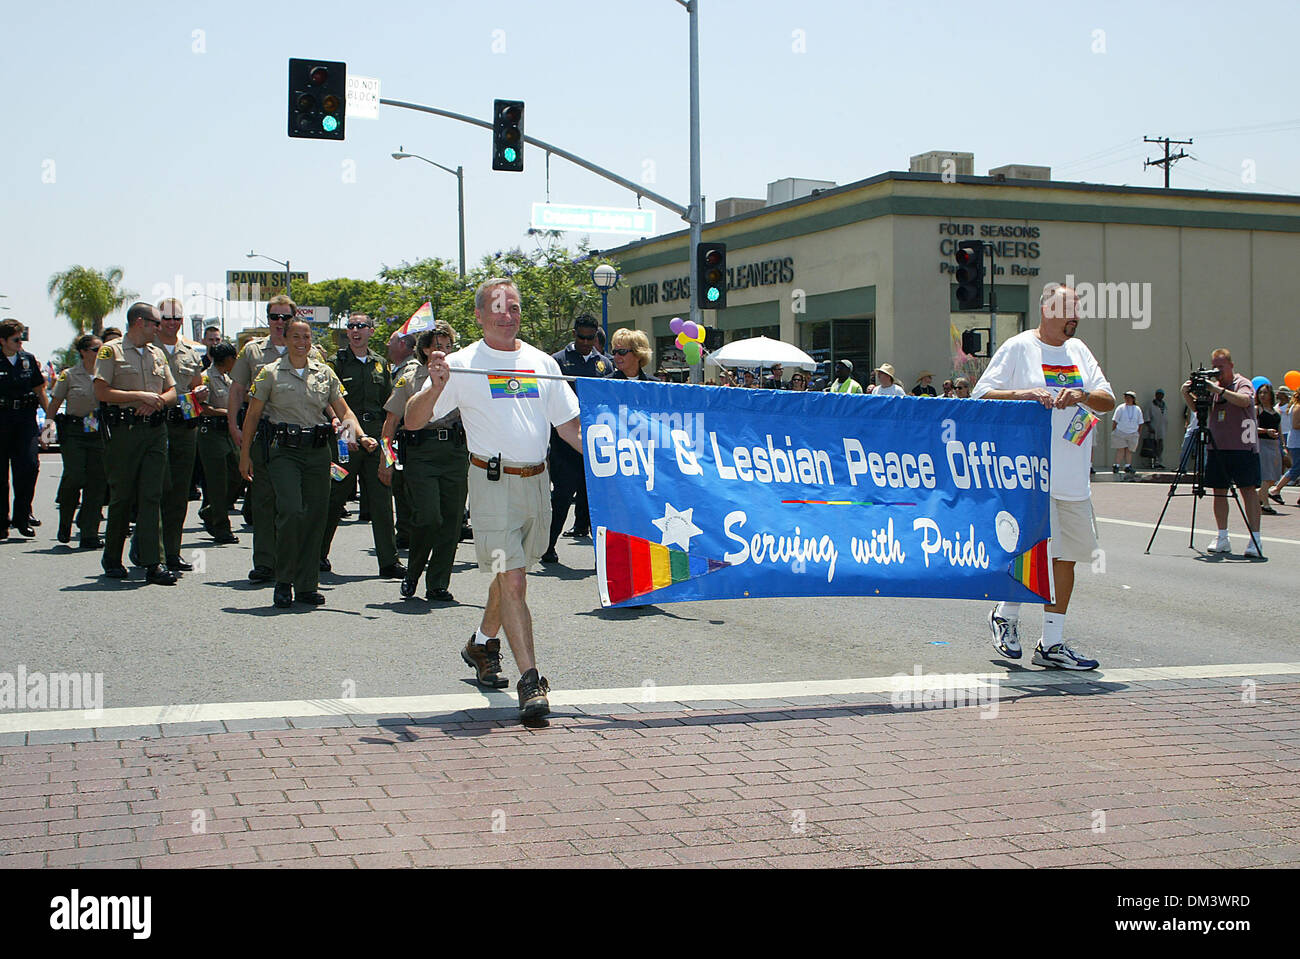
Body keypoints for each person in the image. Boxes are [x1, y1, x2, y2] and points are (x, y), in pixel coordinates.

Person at [405, 278, 582, 722]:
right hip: (492, 483)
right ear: (480, 316)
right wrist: (433, 385)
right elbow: (412, 420)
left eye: (514, 307)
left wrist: (619, 461)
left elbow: (570, 429)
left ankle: (481, 643)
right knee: (515, 580)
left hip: (537, 485)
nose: (507, 315)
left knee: (511, 573)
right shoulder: (461, 365)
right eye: (498, 308)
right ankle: (531, 682)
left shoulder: (542, 363)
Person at [975, 282, 1116, 670]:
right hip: (1029, 473)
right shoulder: (1019, 347)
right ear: (1047, 310)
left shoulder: (1079, 351)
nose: (1075, 317)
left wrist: (1081, 394)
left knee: (1066, 557)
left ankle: (1051, 643)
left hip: (1072, 475)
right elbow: (981, 395)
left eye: (1078, 310)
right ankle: (1007, 614)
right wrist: (1026, 394)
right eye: (1068, 309)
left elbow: (1107, 399)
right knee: (1029, 551)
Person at [240, 316, 373, 609]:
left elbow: (344, 410)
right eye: (296, 337)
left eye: (307, 337)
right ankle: (283, 580)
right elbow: (252, 416)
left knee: (315, 516)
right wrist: (245, 455)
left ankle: (306, 585)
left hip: (317, 452)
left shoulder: (324, 373)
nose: (302, 343)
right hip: (283, 452)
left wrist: (359, 437)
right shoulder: (269, 373)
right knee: (290, 511)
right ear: (285, 340)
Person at [92, 303, 178, 584]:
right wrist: (140, 395)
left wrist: (156, 402)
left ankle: (154, 562)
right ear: (140, 322)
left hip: (155, 430)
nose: (160, 327)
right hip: (124, 432)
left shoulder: (157, 354)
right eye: (156, 322)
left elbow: (173, 391)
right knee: (123, 495)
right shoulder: (111, 351)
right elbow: (102, 391)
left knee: (152, 496)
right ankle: (112, 558)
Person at [383, 322, 468, 603]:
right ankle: (414, 571)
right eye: (436, 346)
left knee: (452, 521)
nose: (442, 352)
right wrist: (386, 460)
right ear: (423, 350)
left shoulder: (462, 374)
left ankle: (438, 583)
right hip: (421, 454)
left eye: (447, 346)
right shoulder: (409, 377)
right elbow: (391, 422)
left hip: (454, 453)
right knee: (429, 517)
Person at [320, 313, 403, 578]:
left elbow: (391, 406)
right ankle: (318, 554)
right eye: (351, 326)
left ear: (371, 331)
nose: (355, 331)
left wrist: (389, 445)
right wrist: (346, 435)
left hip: (379, 437)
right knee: (335, 495)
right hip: (346, 439)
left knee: (382, 497)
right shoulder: (336, 363)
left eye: (361, 326)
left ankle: (389, 562)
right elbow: (329, 400)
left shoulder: (381, 364)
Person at [229, 296, 303, 583]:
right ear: (267, 318)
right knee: (263, 500)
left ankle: (295, 561)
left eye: (286, 317)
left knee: (295, 503)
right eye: (275, 317)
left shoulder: (308, 349)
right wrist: (234, 426)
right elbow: (236, 390)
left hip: (298, 435)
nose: (280, 323)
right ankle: (264, 563)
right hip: (263, 433)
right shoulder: (252, 351)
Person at [543, 315, 612, 562]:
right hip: (565, 441)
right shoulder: (558, 362)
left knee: (599, 499)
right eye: (581, 337)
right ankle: (547, 545)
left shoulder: (604, 364)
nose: (586, 342)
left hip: (595, 441)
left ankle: (603, 555)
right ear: (574, 334)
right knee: (562, 496)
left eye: (590, 338)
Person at [1181, 349, 1262, 557]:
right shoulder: (1214, 387)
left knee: (1248, 491)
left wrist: (1218, 390)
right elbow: (1200, 410)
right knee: (1218, 491)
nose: (1217, 371)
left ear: (1231, 365)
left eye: (1221, 367)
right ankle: (1222, 536)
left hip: (1243, 447)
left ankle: (1255, 539)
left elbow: (1244, 401)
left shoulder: (1242, 383)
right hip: (1218, 447)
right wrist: (1187, 393)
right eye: (1214, 366)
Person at [147, 299, 207, 573]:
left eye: (177, 318)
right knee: (154, 490)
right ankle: (150, 552)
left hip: (184, 427)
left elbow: (196, 391)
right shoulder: (147, 350)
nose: (172, 322)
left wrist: (198, 397)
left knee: (179, 492)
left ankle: (172, 551)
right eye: (167, 318)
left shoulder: (192, 353)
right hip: (154, 426)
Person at [47, 333, 106, 548]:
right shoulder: (68, 375)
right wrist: (48, 426)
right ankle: (65, 521)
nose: (100, 353)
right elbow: (55, 402)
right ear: (83, 352)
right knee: (75, 476)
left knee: (97, 481)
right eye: (95, 350)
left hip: (98, 431)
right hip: (74, 431)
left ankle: (90, 532)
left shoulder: (107, 374)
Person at [0, 319, 50, 539]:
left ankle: (22, 516)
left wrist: (48, 427)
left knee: (29, 467)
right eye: (16, 339)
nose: (21, 343)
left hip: (25, 421)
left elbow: (41, 392)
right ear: (2, 341)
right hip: (1, 421)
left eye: (22, 338)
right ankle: (2, 520)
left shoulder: (27, 360)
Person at [196, 342, 241, 543]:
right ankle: (222, 527)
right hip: (211, 432)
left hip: (229, 430)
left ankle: (211, 510)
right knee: (217, 482)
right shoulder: (206, 377)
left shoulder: (230, 377)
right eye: (235, 357)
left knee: (238, 475)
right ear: (228, 359)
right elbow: (201, 407)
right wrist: (225, 412)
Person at [386, 330, 417, 550]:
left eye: (392, 341)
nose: (388, 345)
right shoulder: (394, 369)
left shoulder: (410, 370)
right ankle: (404, 529)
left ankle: (407, 531)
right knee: (398, 484)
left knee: (406, 485)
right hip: (396, 436)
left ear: (404, 344)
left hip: (406, 436)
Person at [1269, 391, 1300, 505]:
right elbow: (1296, 424)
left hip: (1297, 442)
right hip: (1297, 443)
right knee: (1296, 468)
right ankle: (1275, 490)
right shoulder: (1297, 407)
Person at [1256, 383, 1283, 515]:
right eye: (1260, 392)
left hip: (1275, 445)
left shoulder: (1276, 411)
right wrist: (1266, 431)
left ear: (1270, 394)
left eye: (1265, 392)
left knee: (1275, 476)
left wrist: (1283, 446)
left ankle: (1258, 495)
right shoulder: (1257, 409)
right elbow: (1251, 428)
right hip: (1262, 443)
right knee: (1267, 475)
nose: (1262, 395)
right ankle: (1265, 505)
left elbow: (1280, 429)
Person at [1111, 390, 1144, 478]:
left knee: (1129, 450)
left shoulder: (1137, 409)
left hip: (1133, 432)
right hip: (1121, 431)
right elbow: (1115, 420)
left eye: (1129, 398)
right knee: (1120, 449)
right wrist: (1114, 431)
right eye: (1126, 398)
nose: (1127, 399)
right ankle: (1116, 465)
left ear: (1133, 399)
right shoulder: (1120, 408)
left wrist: (1138, 433)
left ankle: (1128, 466)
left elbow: (1141, 422)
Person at [1144, 389, 1168, 468]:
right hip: (1153, 429)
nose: (1160, 396)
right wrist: (1149, 427)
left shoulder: (1164, 405)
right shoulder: (1151, 405)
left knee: (1160, 446)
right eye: (1158, 394)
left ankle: (1159, 462)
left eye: (1161, 394)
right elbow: (1146, 417)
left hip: (1162, 429)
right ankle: (1152, 463)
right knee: (1152, 446)